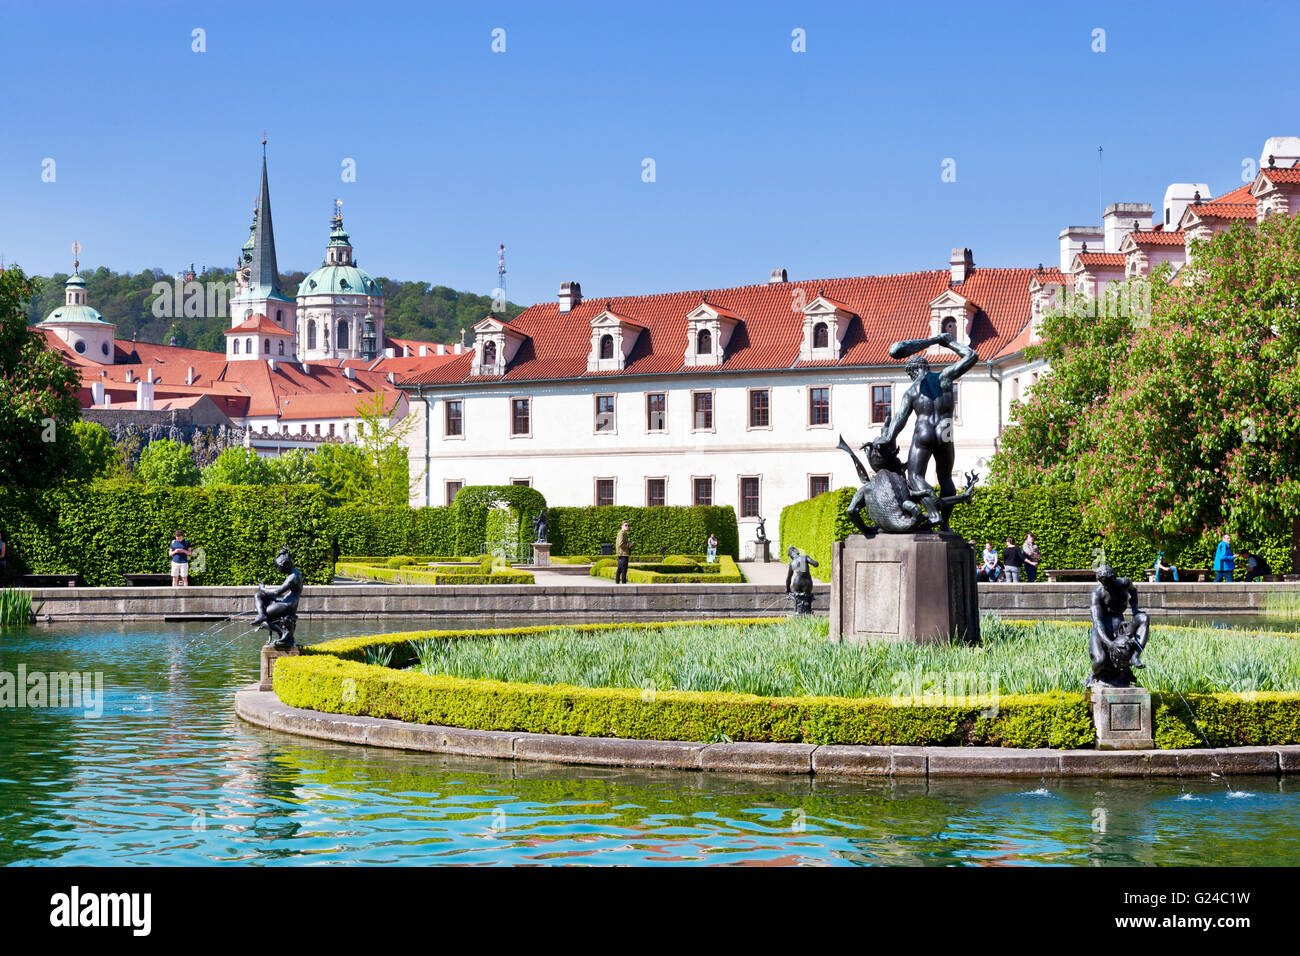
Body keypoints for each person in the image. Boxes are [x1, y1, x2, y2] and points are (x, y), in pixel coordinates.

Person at [871, 331, 979, 529]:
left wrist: (888, 438)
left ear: (912, 371)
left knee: (915, 477)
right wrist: (950, 343)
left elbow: (900, 418)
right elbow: (971, 356)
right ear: (926, 367)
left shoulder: (912, 391)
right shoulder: (944, 377)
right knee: (945, 478)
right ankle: (945, 524)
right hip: (946, 431)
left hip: (924, 432)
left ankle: (933, 513)